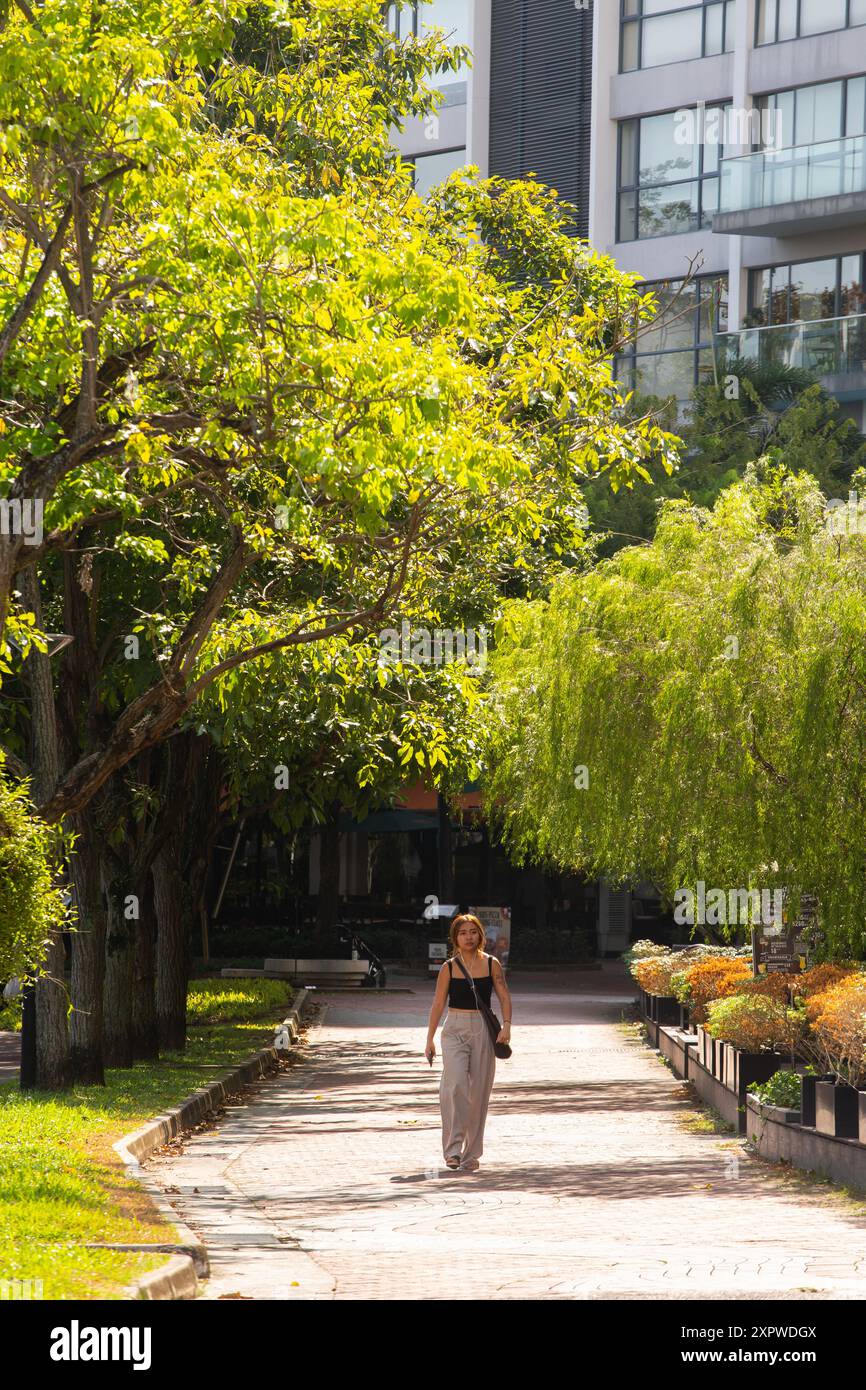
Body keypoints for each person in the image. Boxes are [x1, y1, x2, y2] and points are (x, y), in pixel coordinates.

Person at [425, 913, 512, 1171]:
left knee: (479, 1091)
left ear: (480, 935)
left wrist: (506, 1026)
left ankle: (471, 1153)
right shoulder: (449, 967)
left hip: (483, 1029)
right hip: (454, 1028)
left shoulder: (491, 964)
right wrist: (429, 1038)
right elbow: (438, 1003)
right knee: (456, 1086)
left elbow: (504, 997)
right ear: (455, 938)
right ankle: (452, 1150)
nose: (468, 937)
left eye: (473, 932)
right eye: (463, 933)